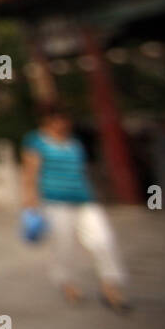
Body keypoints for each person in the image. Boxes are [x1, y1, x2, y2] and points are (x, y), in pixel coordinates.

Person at [20, 108, 129, 313]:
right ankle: (67, 283)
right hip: (55, 202)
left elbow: (81, 171)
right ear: (48, 121)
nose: (63, 124)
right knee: (63, 245)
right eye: (58, 120)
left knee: (103, 240)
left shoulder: (75, 144)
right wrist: (30, 202)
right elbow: (30, 173)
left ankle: (110, 287)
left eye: (65, 120)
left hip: (85, 199)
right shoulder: (36, 141)